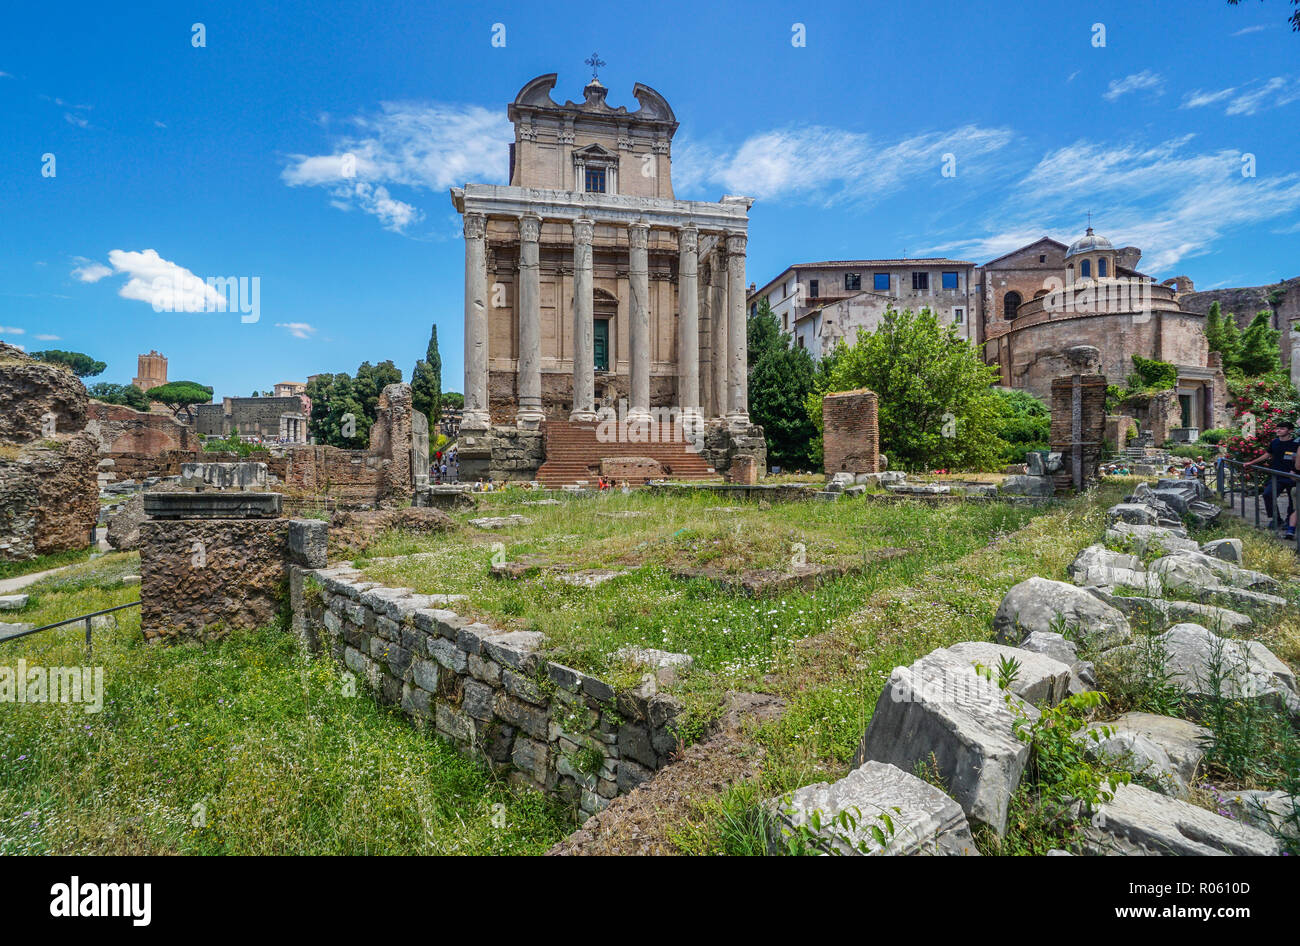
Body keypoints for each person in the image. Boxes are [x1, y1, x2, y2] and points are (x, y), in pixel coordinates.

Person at [1243, 419, 1298, 527]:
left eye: (1282, 429)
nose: (1278, 430)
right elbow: (1267, 455)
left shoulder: (1296, 443)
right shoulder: (1274, 442)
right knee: (1267, 494)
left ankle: (1289, 522)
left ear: (1290, 431)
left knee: (1293, 501)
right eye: (1277, 428)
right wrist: (1251, 462)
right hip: (1276, 475)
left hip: (1292, 476)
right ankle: (1276, 519)